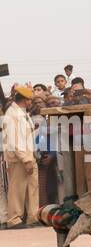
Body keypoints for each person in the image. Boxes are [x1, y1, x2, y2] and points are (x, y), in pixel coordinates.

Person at [2, 85, 40, 228]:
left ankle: (33, 216)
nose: (31, 102)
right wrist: (26, 159)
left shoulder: (22, 113)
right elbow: (15, 140)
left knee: (32, 187)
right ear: (25, 100)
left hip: (28, 155)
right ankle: (14, 219)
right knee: (17, 188)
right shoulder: (12, 115)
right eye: (30, 100)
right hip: (20, 159)